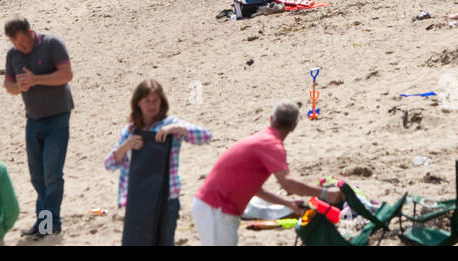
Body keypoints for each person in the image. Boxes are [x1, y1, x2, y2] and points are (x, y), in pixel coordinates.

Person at [191, 101, 341, 246]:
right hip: (216, 208)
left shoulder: (261, 138)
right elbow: (287, 184)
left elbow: (255, 190)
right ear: (294, 127)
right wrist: (325, 193)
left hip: (211, 206)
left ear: (271, 119)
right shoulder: (271, 145)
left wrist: (287, 204)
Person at [105, 80, 211, 245]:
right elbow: (110, 164)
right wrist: (126, 146)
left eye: (155, 100)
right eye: (147, 100)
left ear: (162, 102)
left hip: (168, 198)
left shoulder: (170, 125)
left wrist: (176, 129)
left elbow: (205, 136)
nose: (151, 105)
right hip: (137, 199)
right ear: (138, 103)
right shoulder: (130, 130)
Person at [3, 17, 73, 239]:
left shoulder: (52, 44)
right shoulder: (12, 54)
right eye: (16, 45)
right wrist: (19, 86)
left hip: (58, 117)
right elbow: (9, 86)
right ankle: (46, 221)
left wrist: (36, 80)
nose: (21, 48)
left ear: (30, 32)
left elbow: (66, 75)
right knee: (37, 176)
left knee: (52, 173)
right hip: (33, 119)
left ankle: (49, 223)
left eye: (23, 43)